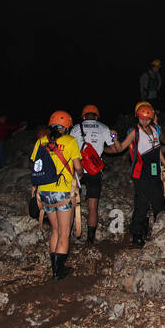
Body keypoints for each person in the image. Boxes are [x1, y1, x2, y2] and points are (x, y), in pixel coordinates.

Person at [107, 101, 165, 247]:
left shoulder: (155, 130)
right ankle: (137, 236)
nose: (144, 121)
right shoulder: (134, 132)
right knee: (141, 204)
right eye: (142, 118)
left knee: (158, 202)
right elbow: (120, 148)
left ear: (151, 118)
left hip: (154, 171)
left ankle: (161, 231)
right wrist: (114, 139)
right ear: (138, 117)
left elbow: (157, 151)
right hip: (140, 173)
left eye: (147, 118)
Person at [30, 112, 82, 279]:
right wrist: (79, 176)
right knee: (64, 232)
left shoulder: (41, 141)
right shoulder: (70, 141)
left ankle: (54, 267)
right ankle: (58, 272)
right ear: (67, 126)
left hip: (44, 193)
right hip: (63, 193)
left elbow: (35, 165)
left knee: (55, 230)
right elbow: (78, 167)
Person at [69, 104, 115, 244]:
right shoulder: (103, 128)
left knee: (70, 204)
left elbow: (69, 149)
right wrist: (100, 152)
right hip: (95, 171)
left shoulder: (76, 128)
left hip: (78, 170)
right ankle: (90, 240)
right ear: (97, 116)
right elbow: (113, 148)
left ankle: (66, 232)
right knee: (92, 206)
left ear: (83, 116)